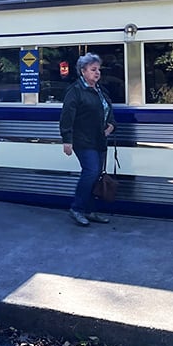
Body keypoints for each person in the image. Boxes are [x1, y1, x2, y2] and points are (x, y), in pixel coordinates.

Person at [59, 53, 116, 227]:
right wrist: (67, 140)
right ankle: (77, 208)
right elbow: (67, 116)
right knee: (90, 172)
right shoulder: (75, 90)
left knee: (95, 175)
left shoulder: (100, 90)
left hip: (99, 140)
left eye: (98, 69)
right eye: (93, 69)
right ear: (83, 71)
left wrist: (112, 125)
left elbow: (108, 111)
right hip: (82, 140)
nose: (97, 72)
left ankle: (90, 211)